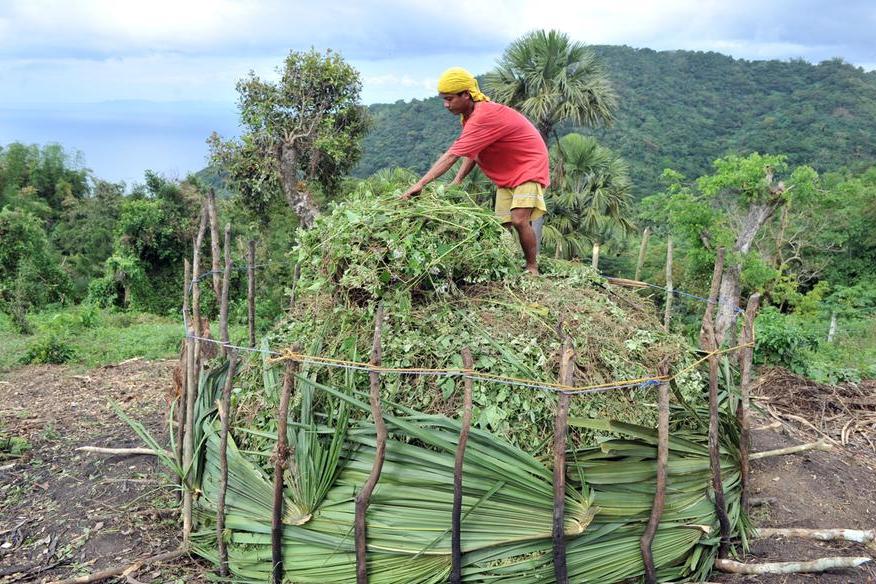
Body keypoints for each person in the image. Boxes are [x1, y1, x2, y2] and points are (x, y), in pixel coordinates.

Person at [400, 67, 549, 275]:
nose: (446, 105)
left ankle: (532, 268)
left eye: (450, 99)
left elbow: (452, 155)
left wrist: (420, 184)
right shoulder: (469, 117)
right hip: (509, 173)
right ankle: (508, 265)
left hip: (528, 166)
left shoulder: (483, 116)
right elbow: (474, 151)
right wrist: (458, 179)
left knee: (519, 219)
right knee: (501, 224)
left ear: (466, 95)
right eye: (444, 99)